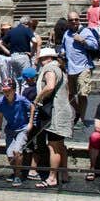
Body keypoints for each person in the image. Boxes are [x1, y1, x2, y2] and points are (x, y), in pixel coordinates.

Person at [34, 49, 71, 188]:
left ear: (48, 58)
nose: (40, 61)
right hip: (62, 110)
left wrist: (37, 99)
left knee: (53, 146)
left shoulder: (50, 68)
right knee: (60, 145)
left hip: (55, 112)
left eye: (41, 58)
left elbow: (49, 86)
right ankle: (64, 173)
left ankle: (52, 177)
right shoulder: (60, 69)